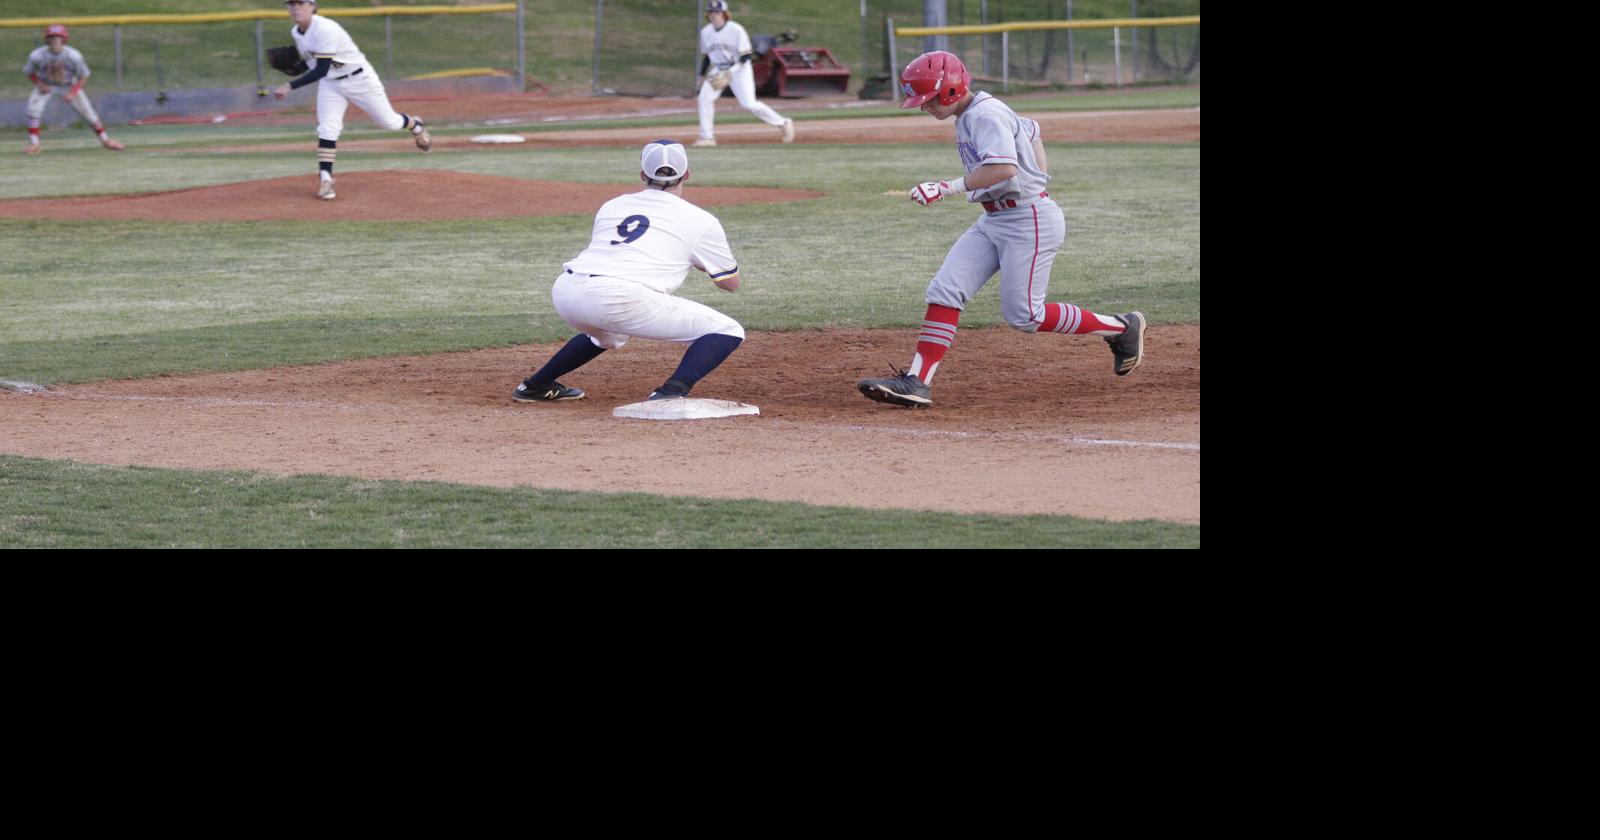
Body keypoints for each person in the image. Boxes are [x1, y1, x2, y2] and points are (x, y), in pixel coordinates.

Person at [856, 50, 1146, 409]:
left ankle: (1121, 327)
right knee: (946, 289)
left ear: (948, 90)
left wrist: (945, 187)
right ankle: (917, 382)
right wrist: (1038, 174)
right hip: (995, 219)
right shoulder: (975, 112)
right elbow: (1031, 128)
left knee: (1025, 315)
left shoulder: (985, 114)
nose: (923, 107)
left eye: (928, 100)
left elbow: (1004, 170)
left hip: (1027, 220)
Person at [512, 140, 746, 404]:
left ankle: (536, 385)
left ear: (643, 175)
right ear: (687, 174)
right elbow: (730, 283)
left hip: (567, 291)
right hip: (618, 297)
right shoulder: (701, 220)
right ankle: (671, 392)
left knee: (608, 337)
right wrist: (700, 262)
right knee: (728, 330)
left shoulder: (612, 205)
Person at [271, 0, 430, 200]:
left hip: (359, 79)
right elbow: (314, 64)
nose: (295, 8)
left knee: (388, 122)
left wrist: (290, 85)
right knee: (327, 129)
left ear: (312, 6)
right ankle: (325, 180)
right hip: (331, 84)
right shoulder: (296, 32)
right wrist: (295, 68)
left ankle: (415, 125)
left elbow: (320, 69)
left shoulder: (326, 29)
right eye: (291, 4)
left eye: (300, 3)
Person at [693, 0, 794, 148]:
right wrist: (701, 75)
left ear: (725, 14)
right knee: (704, 98)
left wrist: (730, 72)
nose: (714, 15)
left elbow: (745, 55)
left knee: (749, 103)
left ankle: (783, 123)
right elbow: (707, 56)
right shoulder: (706, 32)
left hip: (739, 69)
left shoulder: (736, 30)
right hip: (719, 69)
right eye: (711, 12)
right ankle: (707, 137)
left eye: (717, 12)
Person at [21, 24, 123, 155]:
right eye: (52, 38)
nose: (55, 41)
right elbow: (29, 72)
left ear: (64, 39)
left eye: (58, 38)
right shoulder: (37, 55)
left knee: (88, 113)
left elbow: (84, 75)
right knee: (33, 110)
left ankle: (106, 140)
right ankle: (34, 144)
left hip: (68, 85)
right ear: (47, 40)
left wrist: (73, 93)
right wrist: (39, 84)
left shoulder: (73, 55)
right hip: (46, 84)